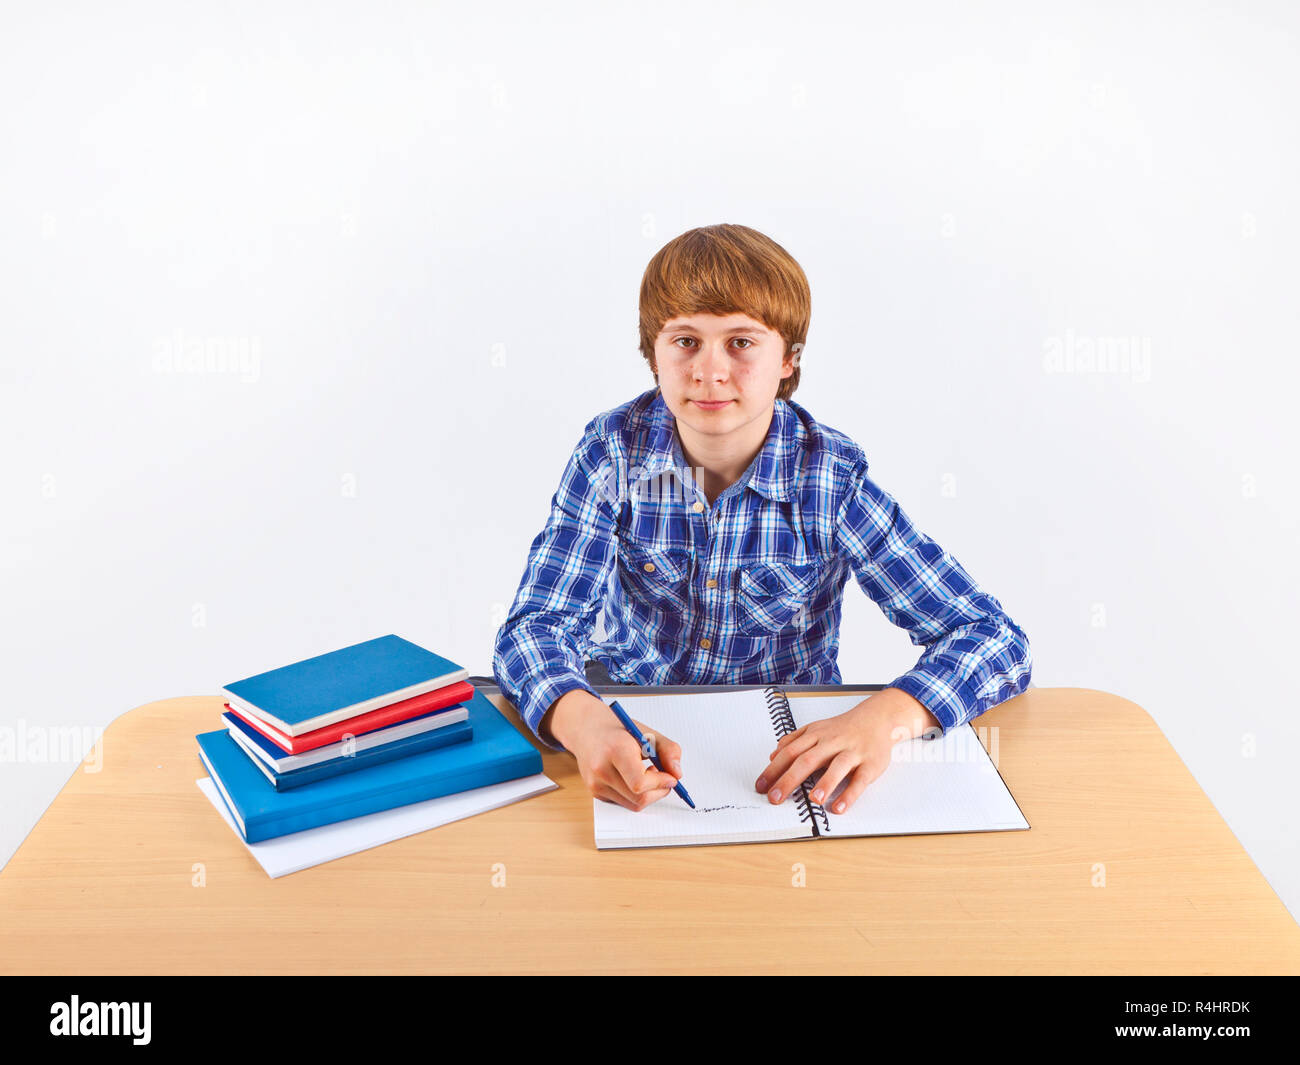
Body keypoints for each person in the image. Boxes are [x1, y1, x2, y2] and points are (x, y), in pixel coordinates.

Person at [493, 223, 1032, 814]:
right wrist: (582, 721)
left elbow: (992, 638)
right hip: (633, 715)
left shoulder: (827, 477)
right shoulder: (612, 453)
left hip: (780, 741)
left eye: (742, 343)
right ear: (652, 353)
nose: (711, 371)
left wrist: (887, 718)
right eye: (685, 342)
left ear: (788, 360)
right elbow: (536, 626)